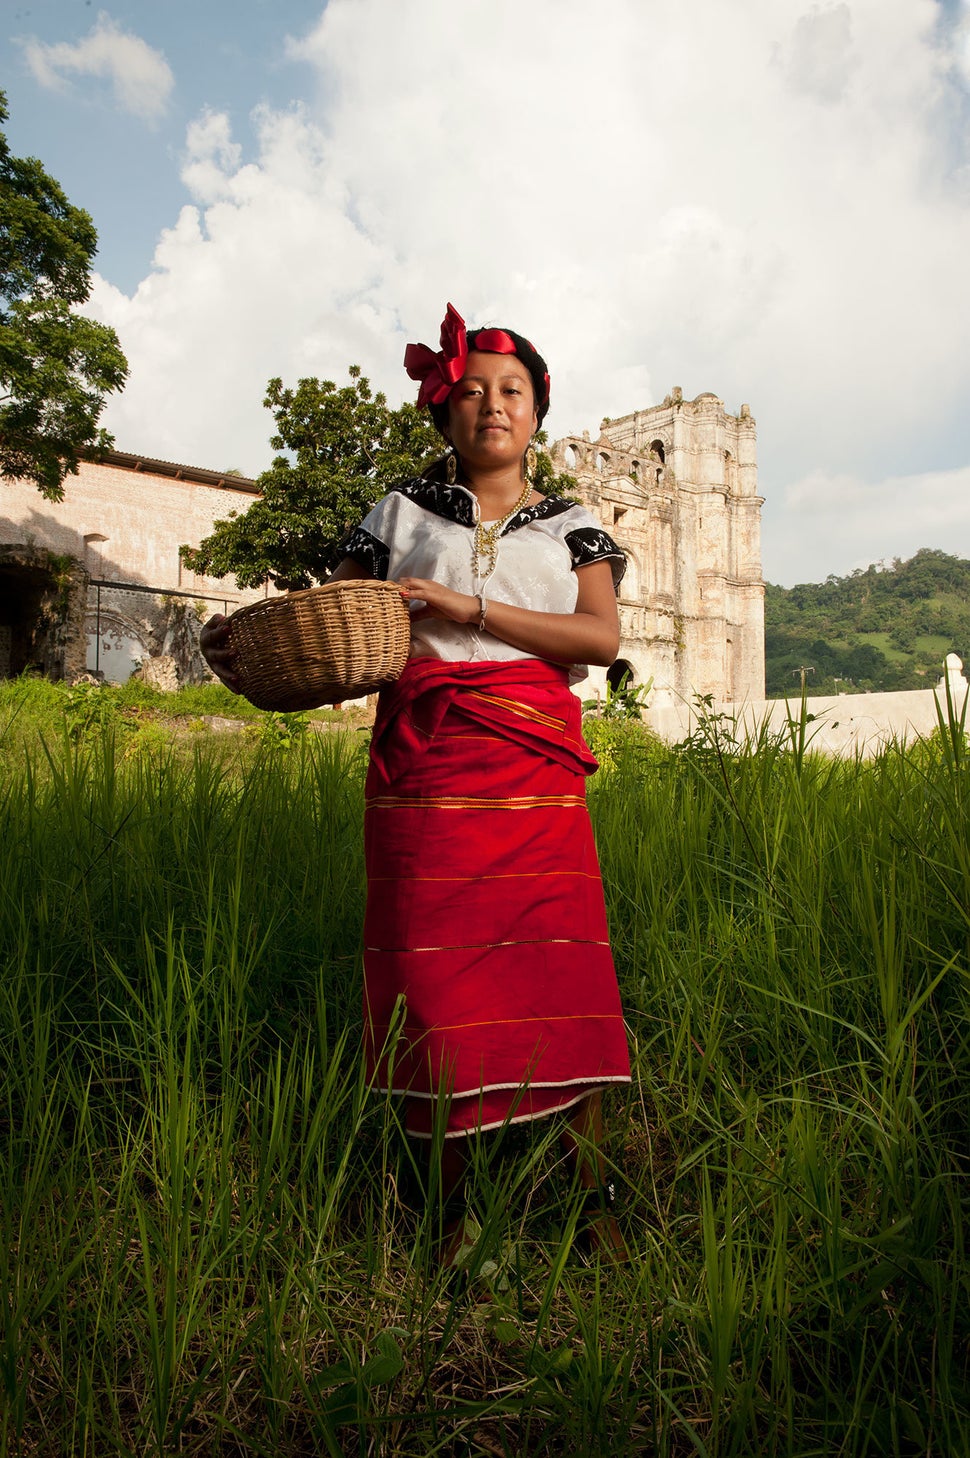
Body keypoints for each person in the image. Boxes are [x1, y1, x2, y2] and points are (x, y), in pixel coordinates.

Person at [201, 303, 631, 1261]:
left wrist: (463, 605)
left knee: (560, 965)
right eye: (470, 391)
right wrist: (248, 645)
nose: (492, 406)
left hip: (533, 768)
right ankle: (445, 1218)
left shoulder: (578, 527)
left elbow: (599, 640)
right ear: (443, 414)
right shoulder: (397, 515)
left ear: (538, 411)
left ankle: (593, 1205)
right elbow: (331, 619)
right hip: (426, 769)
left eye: (512, 391)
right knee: (430, 981)